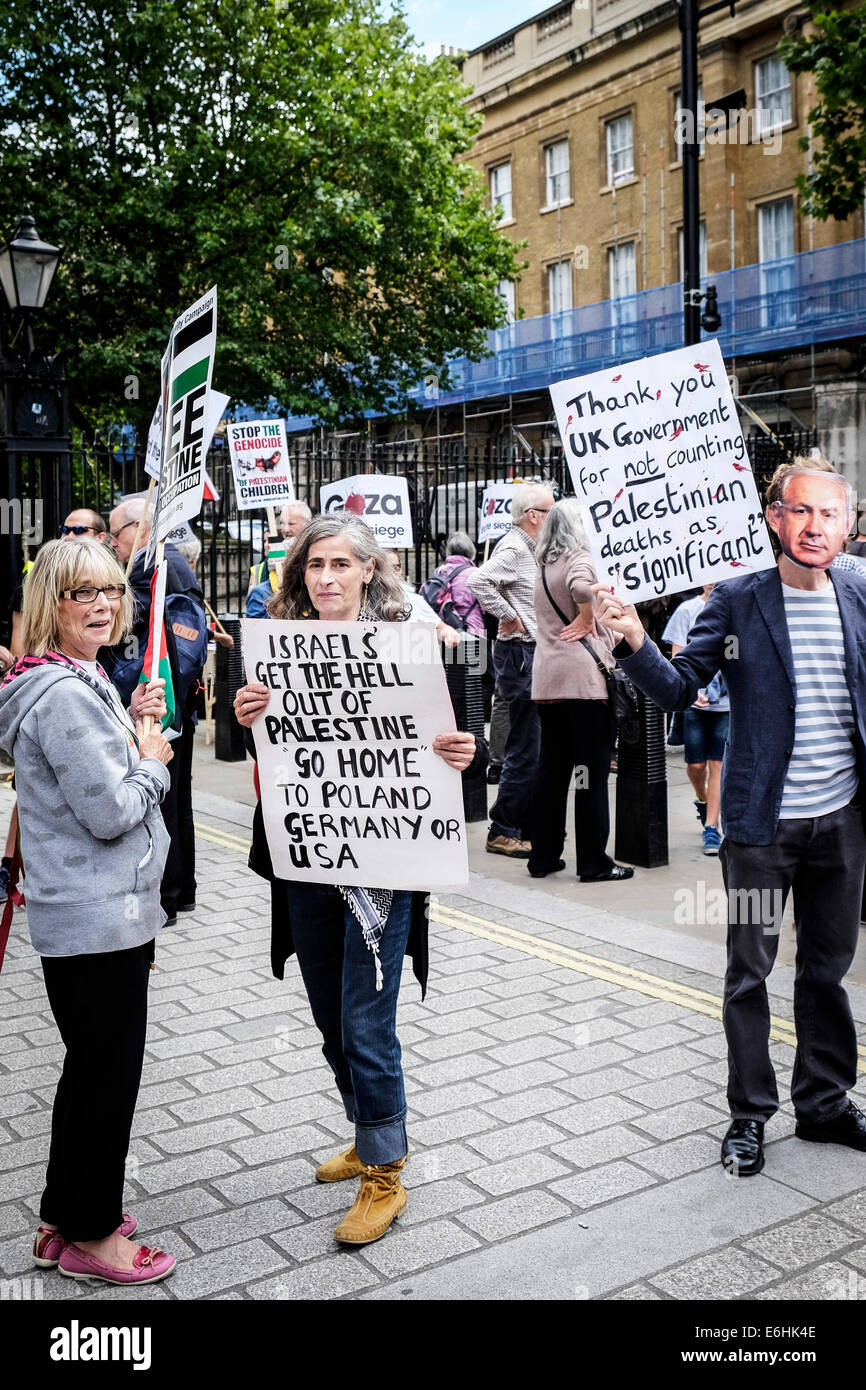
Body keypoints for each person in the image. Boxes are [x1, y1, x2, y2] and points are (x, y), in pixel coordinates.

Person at [595, 457, 866, 1178]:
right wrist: (632, 639)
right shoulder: (741, 599)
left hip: (843, 823)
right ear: (776, 518)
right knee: (749, 973)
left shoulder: (863, 590)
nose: (815, 526)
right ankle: (749, 1116)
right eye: (800, 511)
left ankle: (826, 1103)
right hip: (758, 826)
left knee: (827, 969)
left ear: (849, 523)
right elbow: (682, 691)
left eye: (829, 513)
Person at [233, 512, 485, 1246]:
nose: (326, 579)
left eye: (341, 565)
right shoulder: (280, 645)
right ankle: (366, 1127)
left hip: (385, 862)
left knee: (367, 1023)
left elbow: (462, 740)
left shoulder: (412, 639)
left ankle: (385, 1170)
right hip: (309, 857)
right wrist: (252, 716)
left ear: (368, 569)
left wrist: (469, 752)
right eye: (315, 567)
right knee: (326, 1017)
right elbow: (279, 752)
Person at [0, 539, 176, 1286]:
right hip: (99, 916)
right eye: (82, 594)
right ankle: (93, 1239)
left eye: (110, 589)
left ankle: (61, 1215)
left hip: (92, 911)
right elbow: (109, 811)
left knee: (87, 1073)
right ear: (52, 603)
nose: (103, 604)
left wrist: (128, 717)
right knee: (107, 1081)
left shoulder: (68, 676)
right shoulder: (66, 693)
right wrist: (152, 762)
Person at [107, 496, 208, 926]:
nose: (112, 543)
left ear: (142, 527)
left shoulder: (163, 566)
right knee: (174, 796)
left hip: (158, 704)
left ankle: (167, 895)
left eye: (117, 532)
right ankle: (179, 891)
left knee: (162, 802)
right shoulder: (149, 565)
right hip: (161, 702)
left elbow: (178, 639)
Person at [530, 498, 634, 883]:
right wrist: (587, 617)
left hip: (546, 680)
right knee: (590, 773)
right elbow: (581, 587)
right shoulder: (579, 557)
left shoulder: (544, 565)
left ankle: (543, 856)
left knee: (552, 771)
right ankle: (593, 862)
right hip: (583, 683)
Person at [466, 481, 556, 858]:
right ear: (534, 516)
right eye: (551, 511)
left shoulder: (530, 548)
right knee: (525, 747)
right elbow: (478, 580)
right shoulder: (515, 547)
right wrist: (511, 617)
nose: (556, 517)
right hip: (521, 655)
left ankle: (520, 824)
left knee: (533, 746)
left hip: (529, 655)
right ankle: (502, 828)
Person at [662, 585, 730, 855]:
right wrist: (692, 691)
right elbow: (678, 656)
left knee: (718, 764)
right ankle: (702, 799)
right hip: (696, 701)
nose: (713, 581)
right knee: (695, 764)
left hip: (727, 703)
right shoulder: (687, 610)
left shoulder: (736, 606)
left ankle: (712, 827)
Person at [420, 532, 485, 636]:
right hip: (470, 628)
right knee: (473, 652)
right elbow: (485, 605)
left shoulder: (440, 571)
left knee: (450, 652)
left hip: (445, 630)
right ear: (471, 550)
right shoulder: (476, 574)